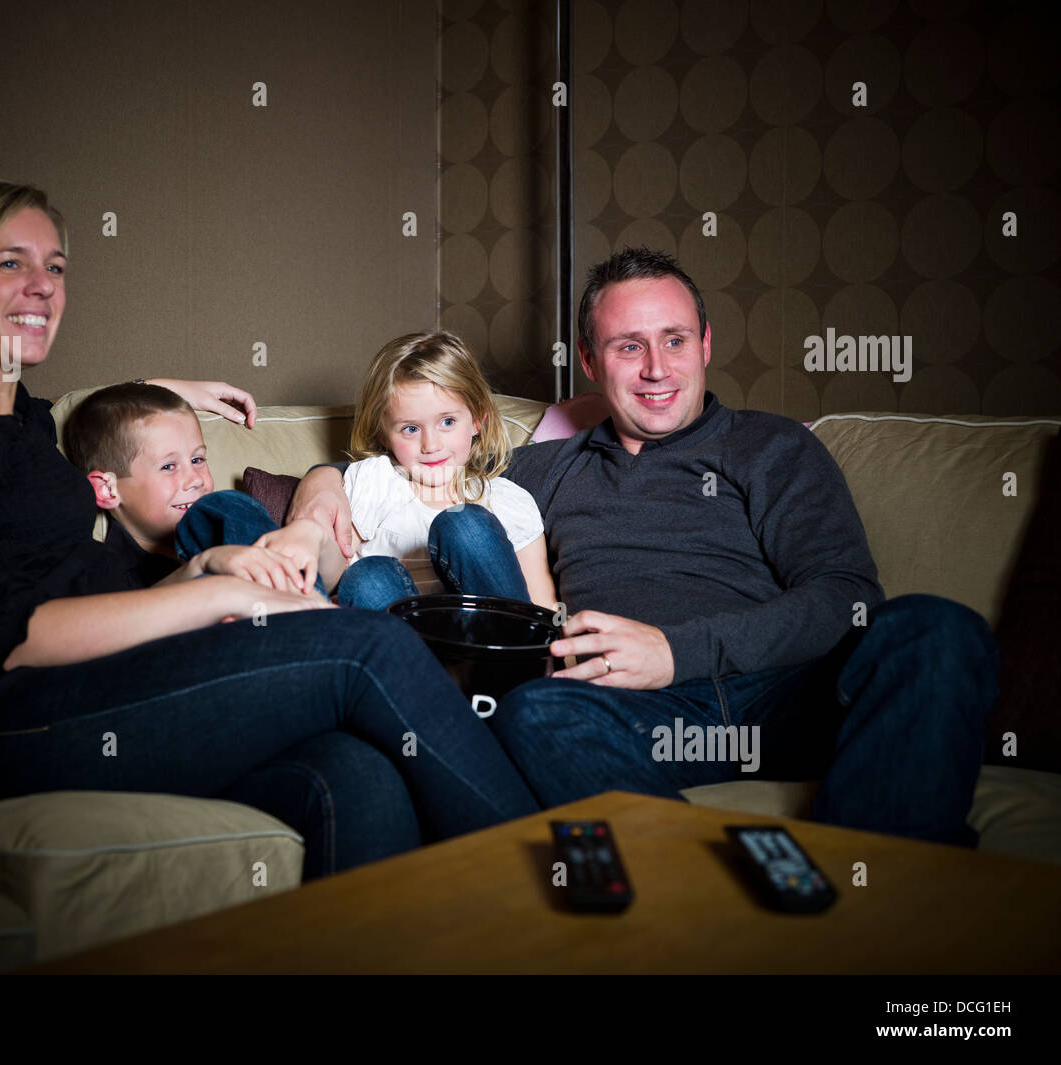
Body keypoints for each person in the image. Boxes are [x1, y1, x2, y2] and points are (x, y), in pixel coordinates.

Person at [0, 176, 538, 882]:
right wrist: (222, 597)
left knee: (356, 773)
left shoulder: (25, 426)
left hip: (105, 690)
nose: (42, 285)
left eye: (56, 266)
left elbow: (87, 425)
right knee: (369, 647)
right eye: (10, 262)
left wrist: (200, 561)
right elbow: (14, 636)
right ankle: (559, 883)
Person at [290, 247, 998, 846]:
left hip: (786, 691)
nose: (657, 367)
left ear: (706, 345)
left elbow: (846, 598)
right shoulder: (543, 469)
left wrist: (675, 651)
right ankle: (710, 886)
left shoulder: (773, 447)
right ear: (593, 363)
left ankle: (876, 902)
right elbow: (418, 469)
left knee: (937, 628)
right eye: (630, 346)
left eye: (675, 340)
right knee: (534, 711)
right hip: (632, 713)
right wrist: (321, 486)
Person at [335, 331, 558, 612]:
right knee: (368, 577)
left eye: (448, 422)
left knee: (465, 525)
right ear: (383, 436)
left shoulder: (509, 501)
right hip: (407, 645)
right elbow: (334, 565)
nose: (431, 445)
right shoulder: (374, 482)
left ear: (477, 421)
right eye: (411, 429)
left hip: (495, 641)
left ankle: (505, 657)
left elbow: (542, 605)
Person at [61, 381, 345, 597]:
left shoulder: (229, 524)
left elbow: (332, 582)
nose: (195, 479)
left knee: (229, 506)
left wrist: (313, 534)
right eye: (168, 467)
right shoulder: (108, 571)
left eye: (197, 459)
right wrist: (205, 568)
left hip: (307, 608)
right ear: (108, 490)